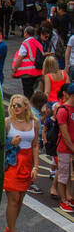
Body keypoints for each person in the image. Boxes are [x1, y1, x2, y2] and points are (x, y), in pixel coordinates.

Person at [2, 94, 39, 232]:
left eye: (18, 105)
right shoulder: (7, 123)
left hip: (27, 163)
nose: (15, 108)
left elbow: (36, 145)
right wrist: (11, 143)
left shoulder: (34, 123)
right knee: (13, 199)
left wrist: (36, 166)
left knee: (21, 199)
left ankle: (10, 228)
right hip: (12, 163)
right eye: (13, 105)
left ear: (25, 107)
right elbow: (0, 144)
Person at [53, 81, 74, 214]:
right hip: (64, 148)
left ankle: (68, 196)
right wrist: (72, 147)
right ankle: (63, 200)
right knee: (63, 174)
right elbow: (65, 133)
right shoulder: (63, 110)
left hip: (71, 148)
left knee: (70, 175)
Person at [11, 26, 44, 99]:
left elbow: (20, 57)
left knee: (27, 93)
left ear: (26, 33)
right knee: (32, 91)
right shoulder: (38, 43)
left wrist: (14, 70)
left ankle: (29, 107)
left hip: (27, 73)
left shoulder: (25, 43)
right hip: (38, 71)